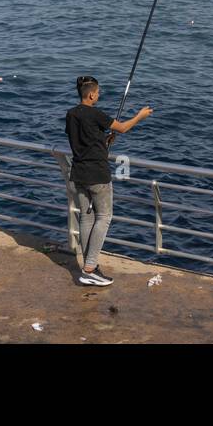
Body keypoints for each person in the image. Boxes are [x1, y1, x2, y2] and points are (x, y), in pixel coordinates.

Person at [64, 76, 153, 286]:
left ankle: (88, 265)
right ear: (92, 94)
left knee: (86, 219)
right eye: (98, 92)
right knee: (104, 217)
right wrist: (140, 116)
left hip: (78, 172)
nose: (99, 95)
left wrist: (103, 140)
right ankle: (89, 268)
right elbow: (122, 128)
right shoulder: (96, 114)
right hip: (97, 174)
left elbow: (82, 140)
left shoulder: (71, 114)